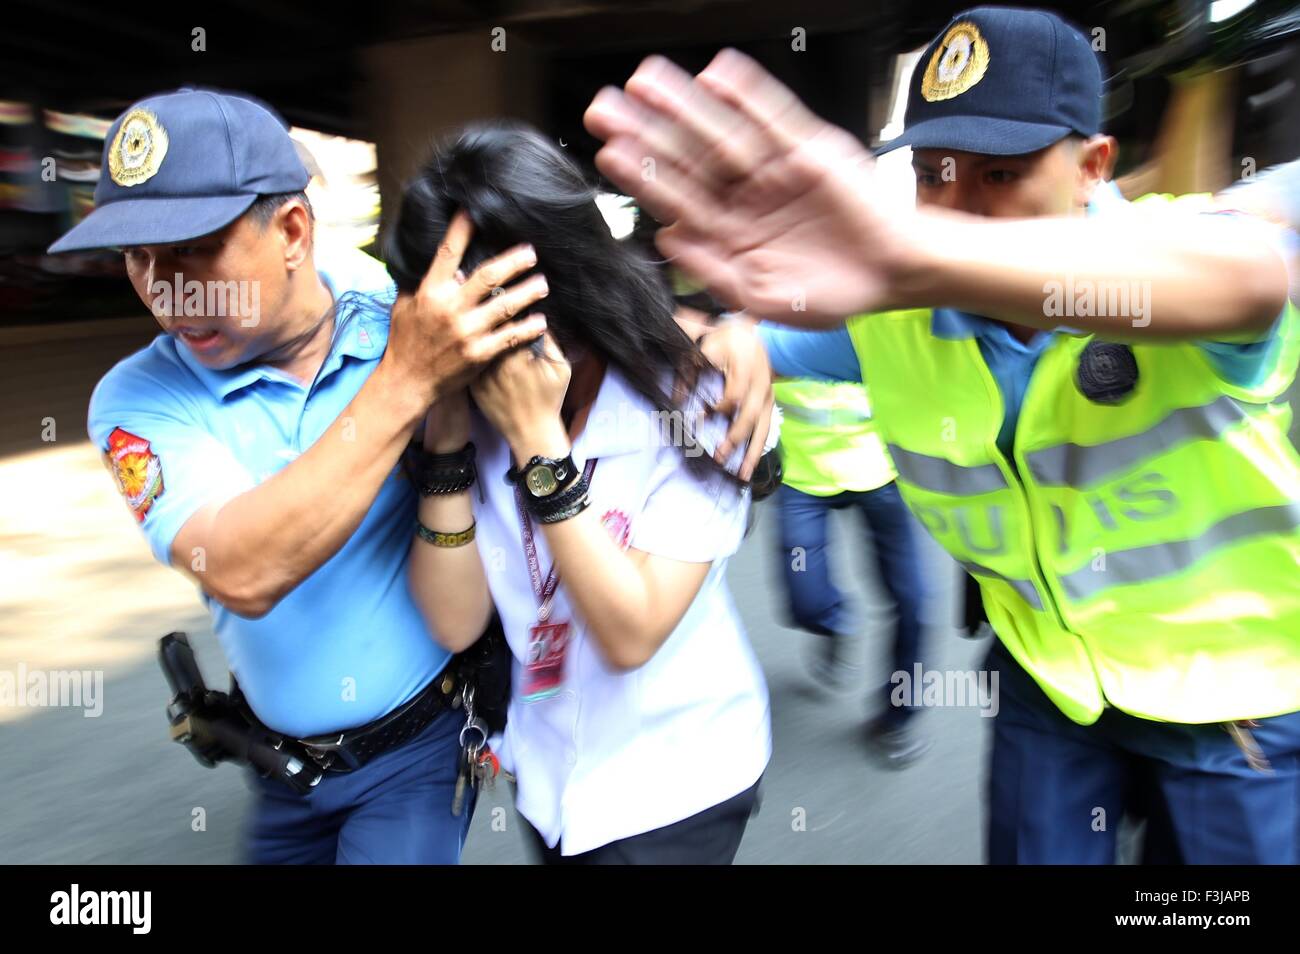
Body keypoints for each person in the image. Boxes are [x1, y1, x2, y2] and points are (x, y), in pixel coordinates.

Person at [584, 6, 1300, 864]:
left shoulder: (1170, 257)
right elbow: (724, 345)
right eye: (933, 175)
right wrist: (735, 328)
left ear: (1092, 166)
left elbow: (1251, 281)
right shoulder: (890, 310)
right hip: (1050, 685)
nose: (954, 207)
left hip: (1238, 707)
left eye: (999, 175)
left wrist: (915, 252)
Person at [51, 89, 774, 864]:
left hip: (574, 772)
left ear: (293, 231)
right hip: (461, 771)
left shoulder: (415, 323)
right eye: (138, 257)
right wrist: (437, 417)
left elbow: (597, 305)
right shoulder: (149, 397)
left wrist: (718, 331)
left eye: (194, 248)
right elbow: (242, 567)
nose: (167, 291)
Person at [393, 121, 772, 864]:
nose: (468, 349)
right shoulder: (464, 407)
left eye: (487, 319)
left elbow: (631, 632)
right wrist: (443, 439)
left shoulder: (696, 398)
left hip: (676, 784)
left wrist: (538, 442)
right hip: (543, 773)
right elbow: (456, 620)